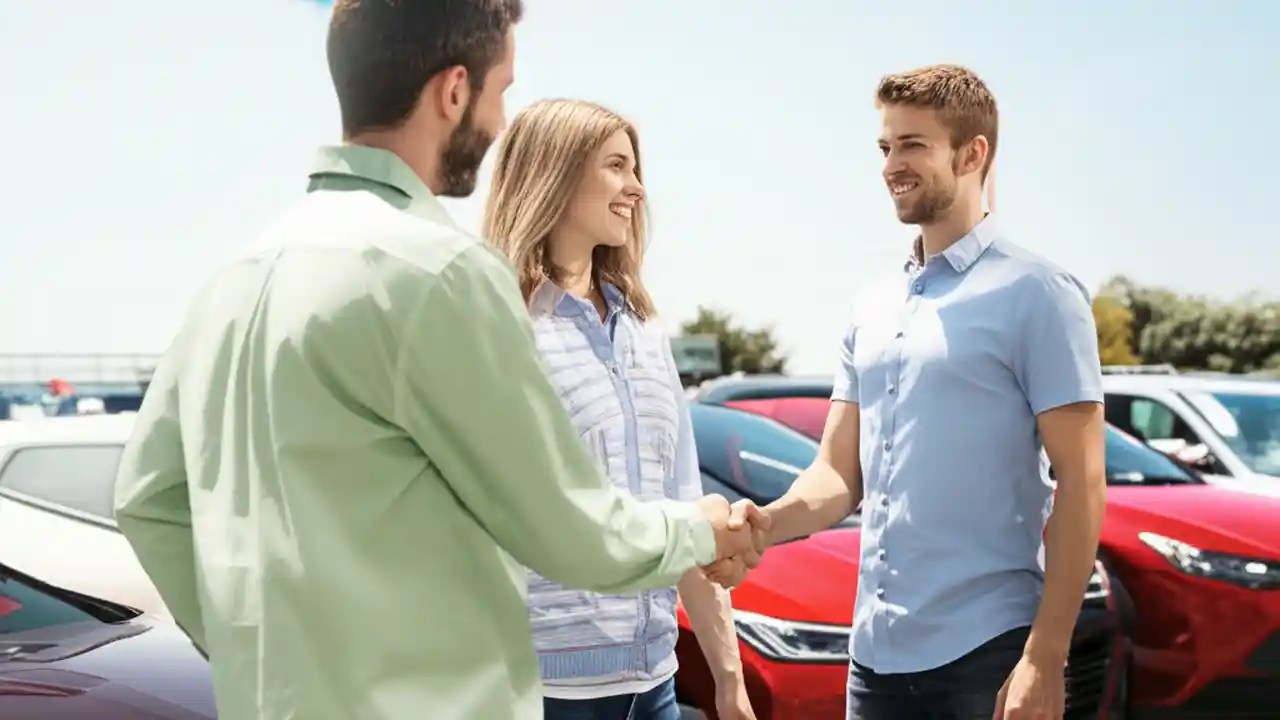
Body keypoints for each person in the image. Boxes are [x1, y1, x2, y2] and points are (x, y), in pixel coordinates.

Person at [111, 3, 767, 719]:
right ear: (454, 91)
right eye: (501, 89)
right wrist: (701, 528)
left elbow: (148, 500)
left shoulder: (232, 280)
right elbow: (568, 526)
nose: (499, 121)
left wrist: (261, 653)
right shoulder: (442, 272)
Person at [712, 64, 1107, 719]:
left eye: (913, 145)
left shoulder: (1038, 293)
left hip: (987, 653)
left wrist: (1045, 654)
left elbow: (1083, 480)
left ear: (973, 152)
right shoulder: (873, 304)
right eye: (885, 147)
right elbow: (839, 473)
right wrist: (765, 526)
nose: (892, 165)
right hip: (873, 659)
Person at [483, 99, 758, 720]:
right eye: (616, 166)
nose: (636, 188)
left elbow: (685, 509)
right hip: (542, 695)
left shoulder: (645, 332)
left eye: (636, 170)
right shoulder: (501, 325)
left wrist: (728, 680)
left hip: (654, 686)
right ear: (555, 172)